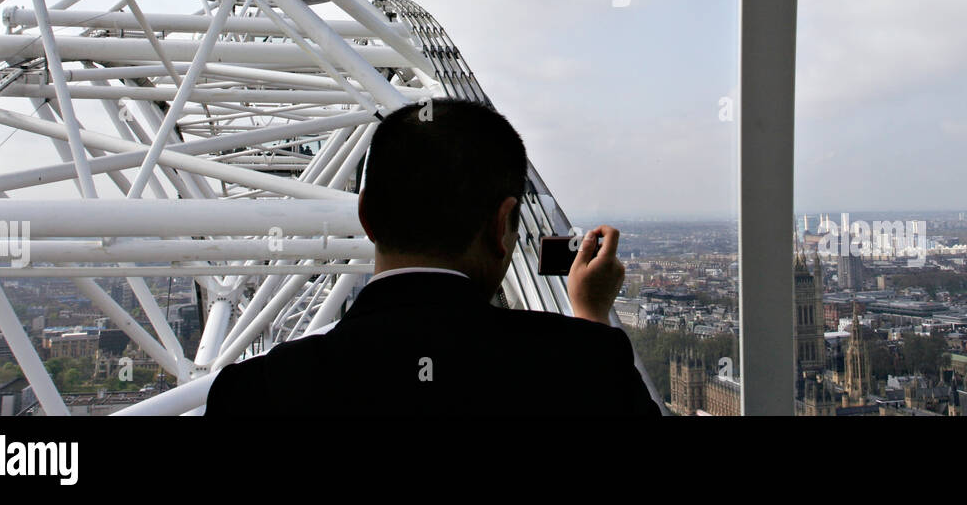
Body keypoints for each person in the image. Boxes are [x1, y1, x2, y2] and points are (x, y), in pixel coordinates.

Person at [205, 99, 660, 416]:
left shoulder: (255, 394)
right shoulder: (582, 367)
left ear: (366, 215)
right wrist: (591, 315)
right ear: (501, 225)